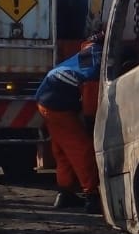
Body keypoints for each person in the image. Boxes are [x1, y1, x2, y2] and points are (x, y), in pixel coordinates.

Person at [35, 35, 104, 214]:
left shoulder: (89, 52)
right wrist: (91, 125)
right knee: (82, 149)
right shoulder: (96, 68)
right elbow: (90, 108)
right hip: (57, 104)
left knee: (63, 150)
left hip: (45, 99)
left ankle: (65, 193)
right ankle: (91, 196)